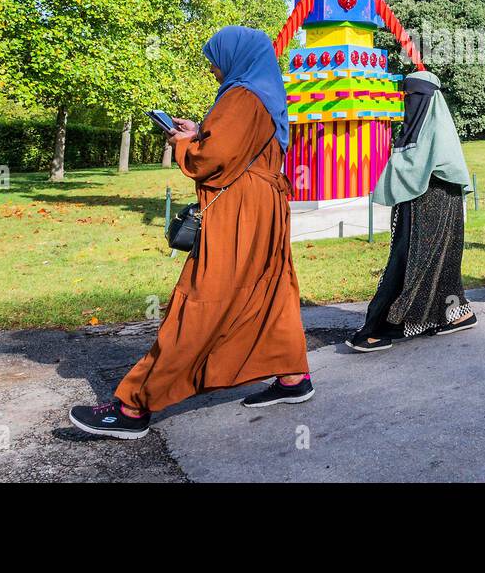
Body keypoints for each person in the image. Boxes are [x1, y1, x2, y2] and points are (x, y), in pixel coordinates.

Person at [70, 26, 312, 439]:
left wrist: (186, 143)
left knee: (205, 297)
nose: (214, 69)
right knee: (269, 290)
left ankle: (133, 406)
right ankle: (293, 376)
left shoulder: (242, 96)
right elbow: (239, 141)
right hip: (266, 207)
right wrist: (201, 128)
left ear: (234, 57)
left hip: (241, 209)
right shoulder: (263, 91)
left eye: (216, 60)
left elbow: (211, 159)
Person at [347, 70, 475, 352]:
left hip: (435, 203)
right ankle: (458, 313)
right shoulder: (417, 130)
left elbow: (428, 167)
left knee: (417, 263)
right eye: (406, 96)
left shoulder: (436, 132)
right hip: (419, 206)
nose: (409, 102)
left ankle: (383, 326)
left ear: (428, 99)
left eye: (414, 96)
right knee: (427, 262)